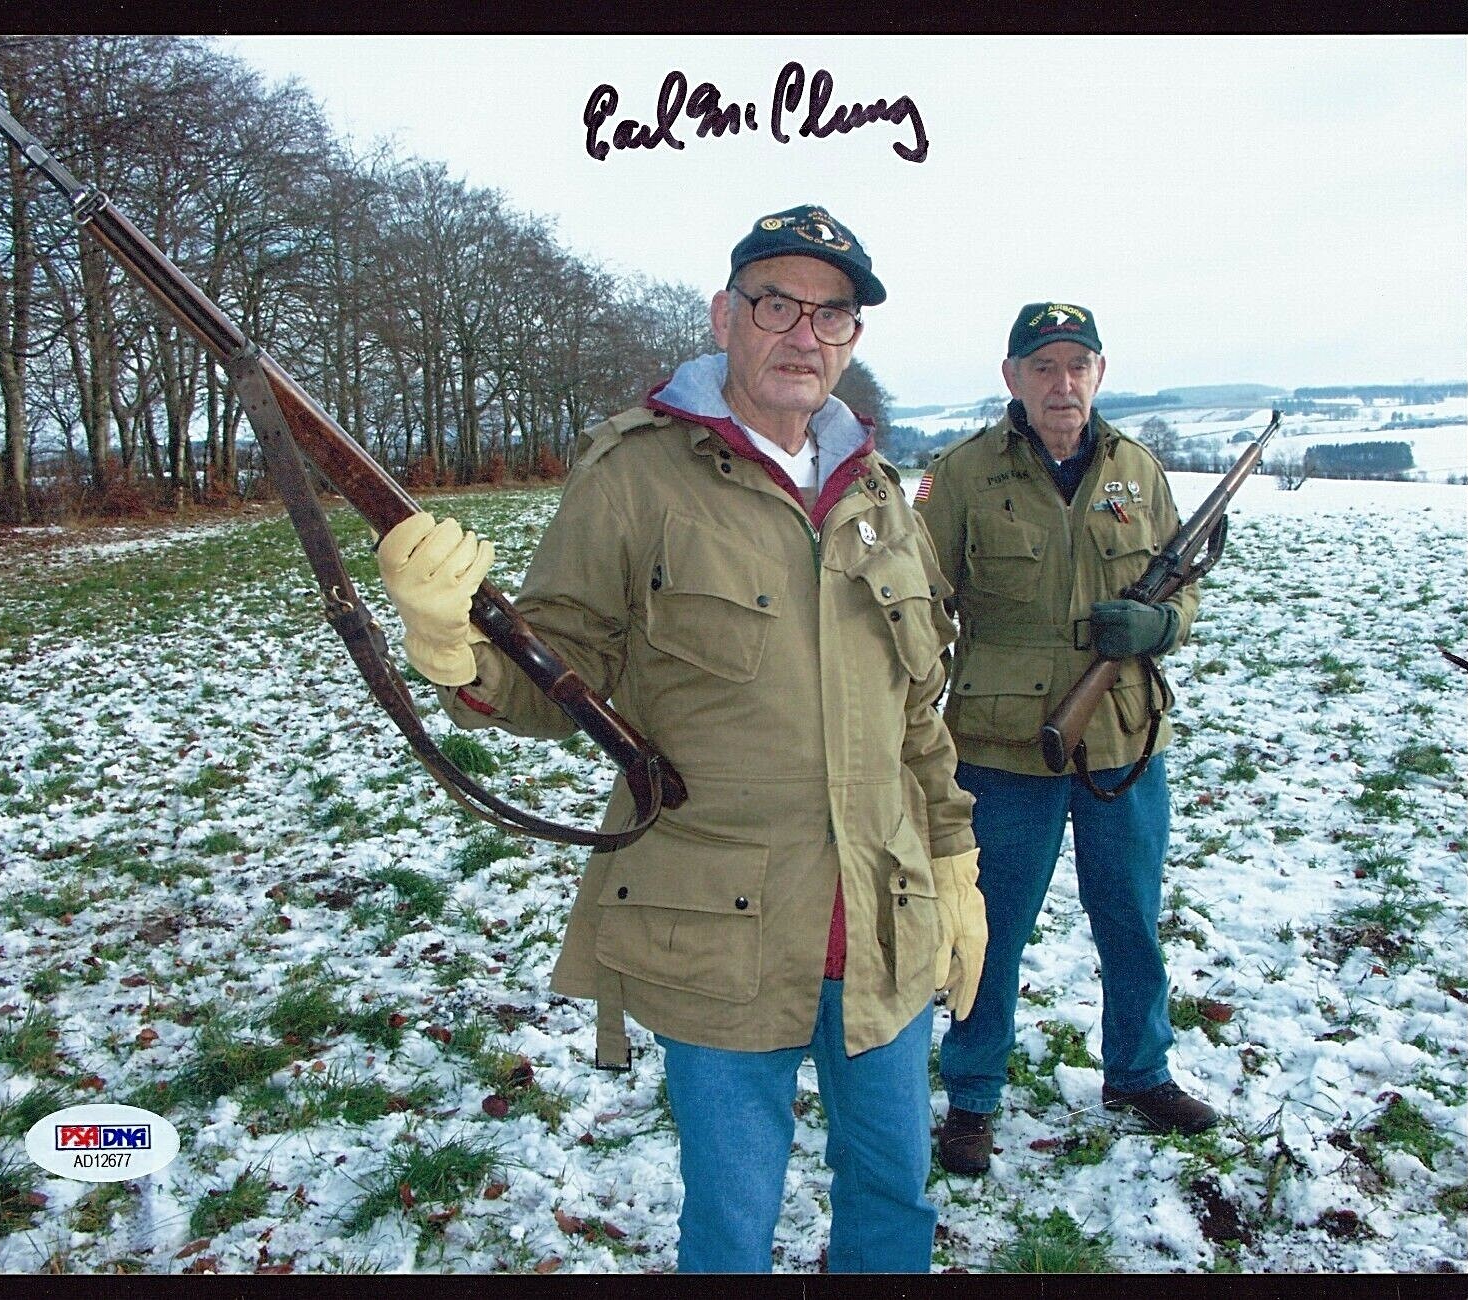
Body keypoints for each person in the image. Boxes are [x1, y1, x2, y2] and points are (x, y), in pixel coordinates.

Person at [376, 205, 985, 1273]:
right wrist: (453, 646)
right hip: (720, 924)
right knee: (731, 1222)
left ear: (853, 337)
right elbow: (561, 669)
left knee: (894, 1195)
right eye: (776, 305)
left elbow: (914, 714)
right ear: (725, 316)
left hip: (883, 919)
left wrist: (954, 859)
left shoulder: (882, 492)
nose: (804, 334)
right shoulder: (636, 474)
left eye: (831, 314)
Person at [914, 301, 1218, 1179]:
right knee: (993, 928)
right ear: (1011, 377)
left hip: (1123, 734)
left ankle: (1140, 1072)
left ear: (1099, 374)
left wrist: (1158, 626)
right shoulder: (963, 476)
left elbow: (1183, 586)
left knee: (1129, 918)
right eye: (1043, 366)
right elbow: (920, 600)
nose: (1062, 383)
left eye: (1077, 365)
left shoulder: (1139, 471)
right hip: (1003, 745)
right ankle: (971, 1095)